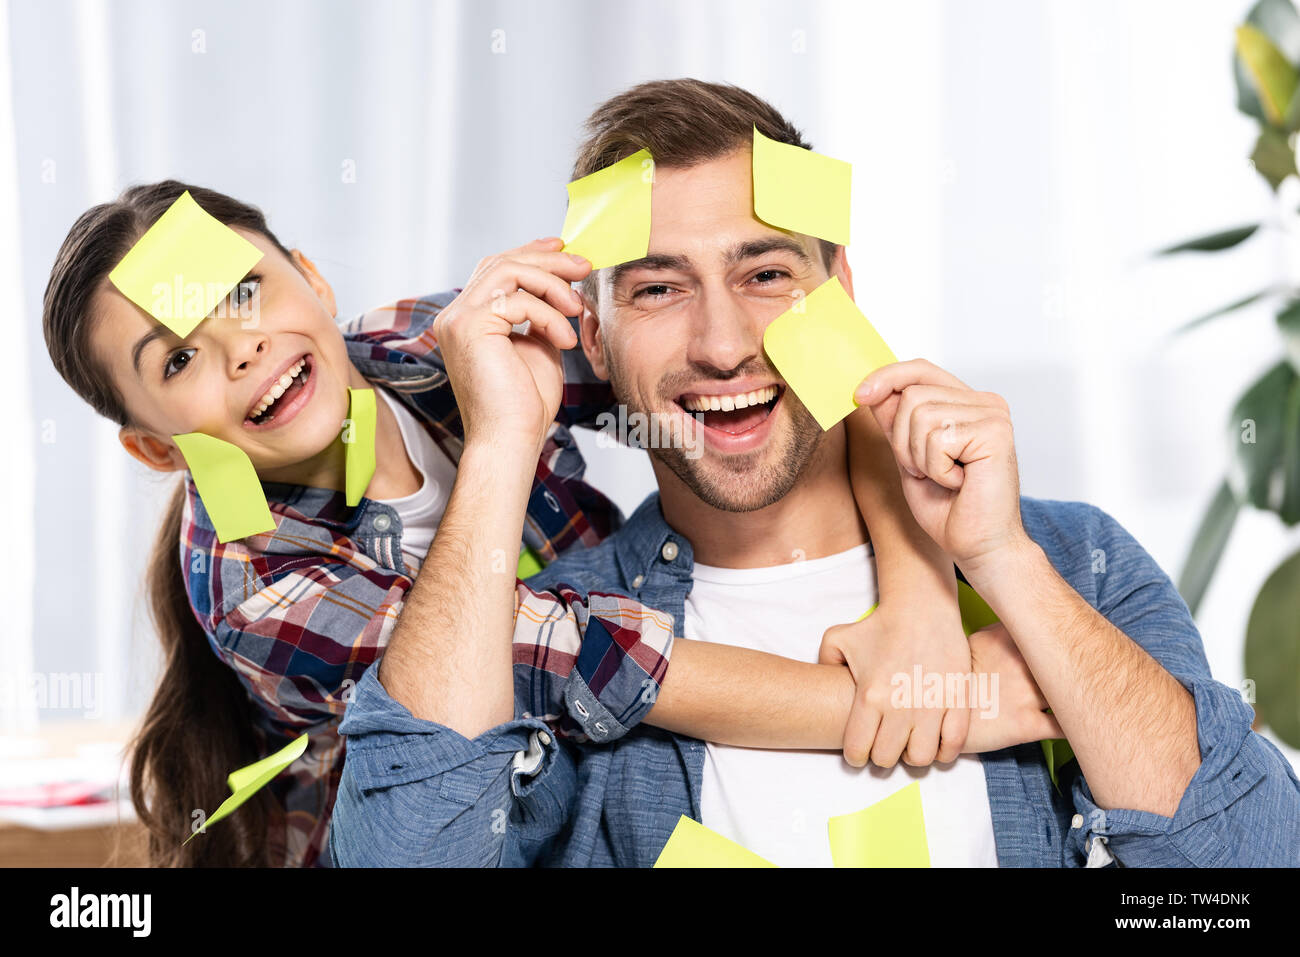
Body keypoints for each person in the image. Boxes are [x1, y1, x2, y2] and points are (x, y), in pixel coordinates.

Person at [329, 79, 1300, 867]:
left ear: (838, 292)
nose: (722, 344)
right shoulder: (555, 633)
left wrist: (999, 561)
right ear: (593, 333)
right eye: (659, 288)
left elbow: (1247, 871)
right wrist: (501, 442)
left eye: (764, 275)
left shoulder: (1068, 557)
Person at [44, 180, 998, 866]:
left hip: (651, 726)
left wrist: (918, 605)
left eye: (244, 293)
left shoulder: (433, 339)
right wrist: (961, 706)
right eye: (177, 360)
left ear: (312, 279)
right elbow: (591, 660)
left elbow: (787, 365)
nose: (242, 347)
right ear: (157, 450)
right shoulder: (260, 586)